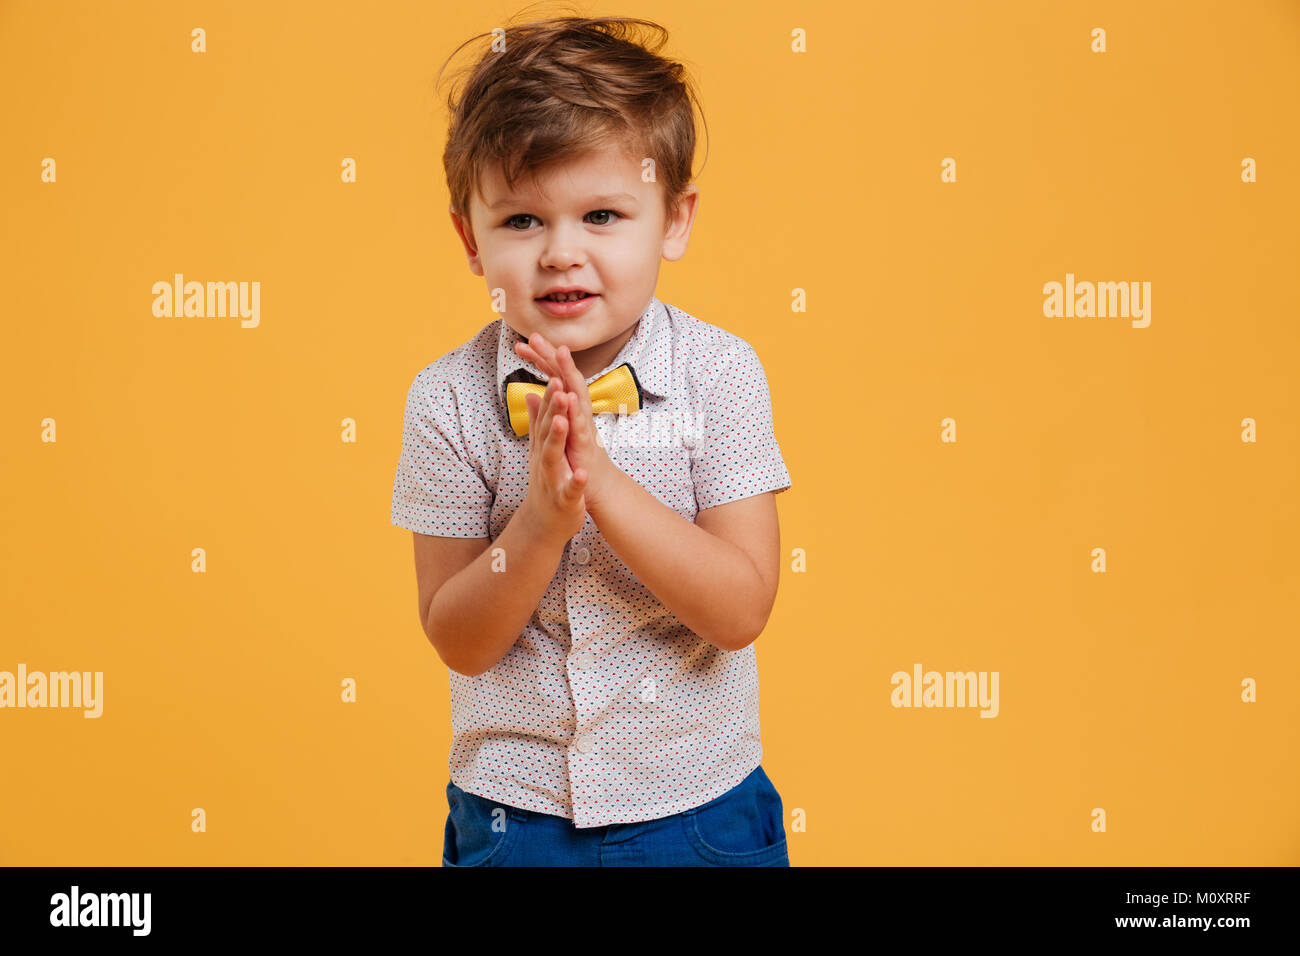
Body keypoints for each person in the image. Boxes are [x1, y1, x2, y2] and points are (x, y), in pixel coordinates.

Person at [391, 12, 793, 866]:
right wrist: (539, 520)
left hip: (698, 810)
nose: (562, 253)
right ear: (471, 238)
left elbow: (740, 609)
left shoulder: (719, 373)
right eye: (523, 222)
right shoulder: (446, 401)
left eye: (603, 214)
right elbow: (458, 639)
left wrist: (601, 482)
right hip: (514, 817)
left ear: (673, 221)